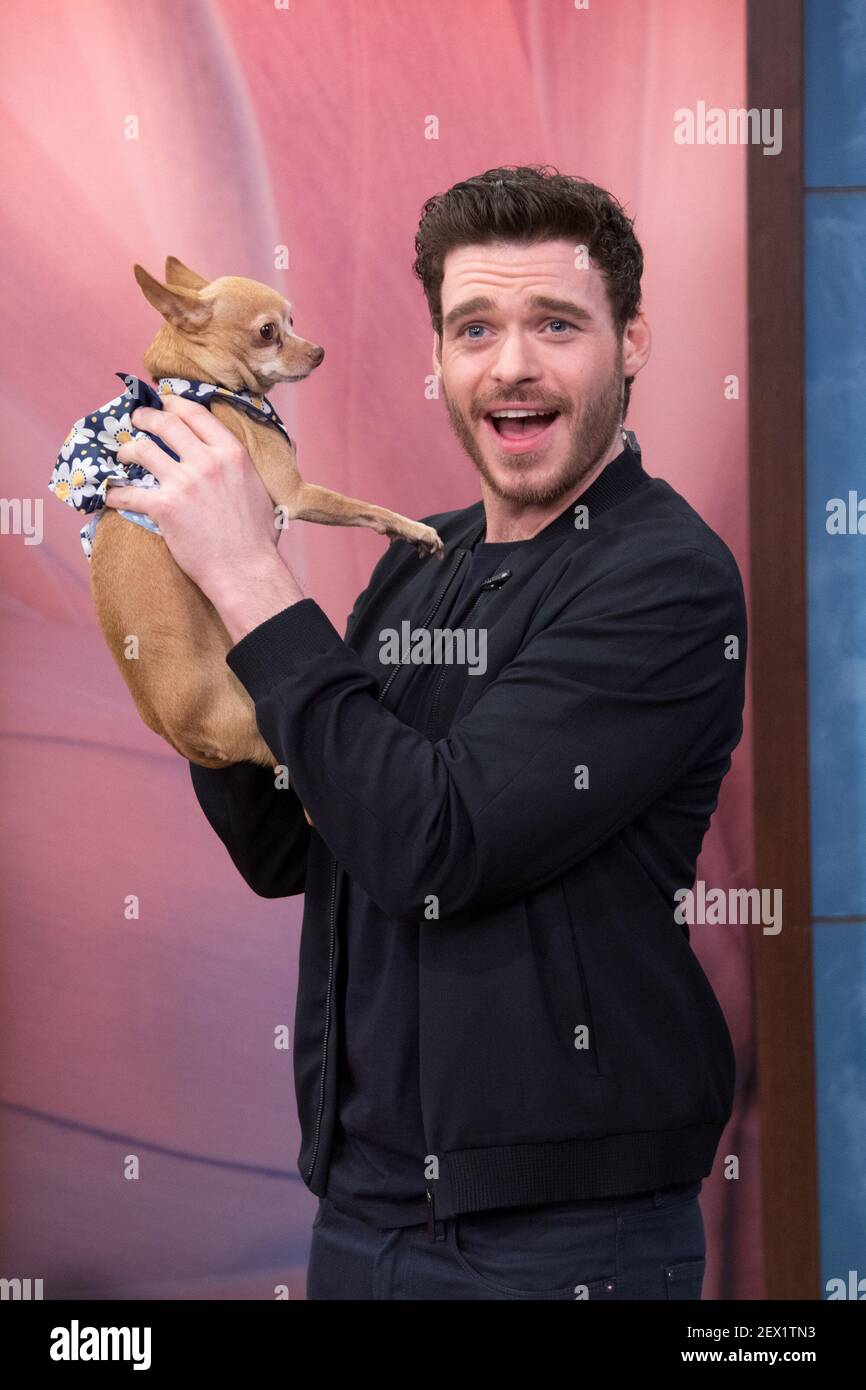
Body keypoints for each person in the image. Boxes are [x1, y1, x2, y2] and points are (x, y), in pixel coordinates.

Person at [107, 166, 747, 1300]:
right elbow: (295, 847)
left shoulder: (665, 580)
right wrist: (182, 613)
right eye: (472, 328)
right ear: (441, 360)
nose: (510, 363)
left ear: (632, 339)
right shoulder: (419, 562)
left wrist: (252, 578)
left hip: (556, 1245)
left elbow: (431, 841)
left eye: (555, 323)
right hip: (361, 1215)